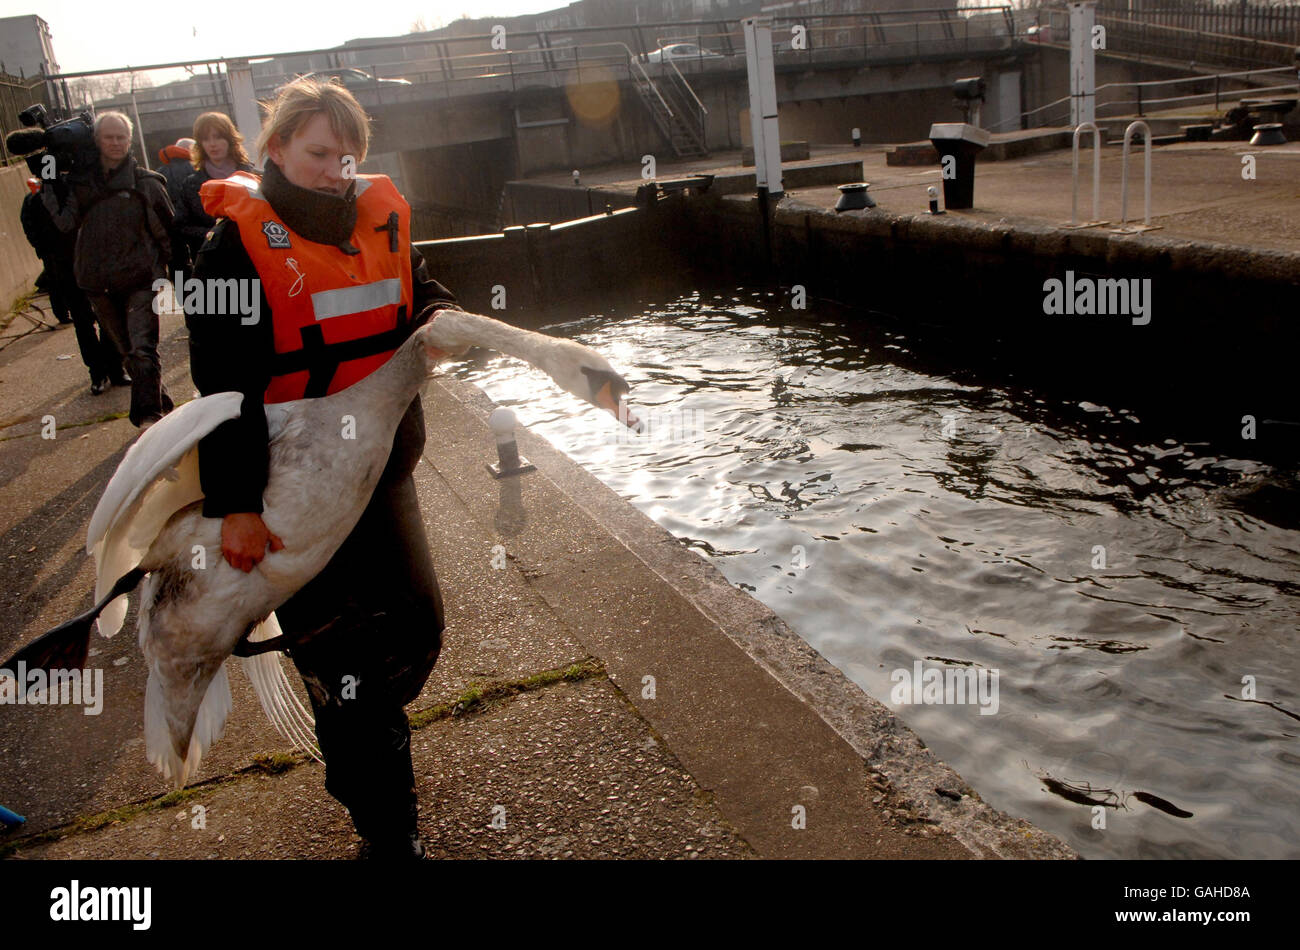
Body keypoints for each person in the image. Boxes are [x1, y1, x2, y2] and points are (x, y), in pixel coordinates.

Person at [186, 77, 460, 859]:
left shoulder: (380, 222)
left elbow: (423, 292)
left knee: (417, 630)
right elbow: (225, 394)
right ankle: (388, 830)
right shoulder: (230, 254)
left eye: (348, 156)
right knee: (352, 664)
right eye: (317, 154)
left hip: (382, 470)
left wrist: (443, 316)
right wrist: (235, 506)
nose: (336, 170)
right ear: (273, 148)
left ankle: (354, 730)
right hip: (291, 489)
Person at [41, 110, 180, 427]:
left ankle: (149, 417)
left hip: (141, 279)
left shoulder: (146, 183)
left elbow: (167, 233)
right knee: (130, 354)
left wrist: (176, 276)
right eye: (109, 137)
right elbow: (64, 222)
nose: (116, 143)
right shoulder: (80, 185)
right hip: (97, 281)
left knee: (143, 349)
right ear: (97, 141)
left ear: (130, 140)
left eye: (122, 137)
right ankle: (162, 404)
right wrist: (50, 182)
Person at [20, 176, 125, 393]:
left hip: (93, 264)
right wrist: (47, 255)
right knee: (84, 321)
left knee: (107, 317)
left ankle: (113, 369)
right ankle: (98, 373)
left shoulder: (83, 187)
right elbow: (31, 227)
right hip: (65, 266)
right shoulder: (37, 198)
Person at [174, 113, 256, 268]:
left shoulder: (252, 176)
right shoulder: (191, 184)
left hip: (254, 261)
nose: (212, 144)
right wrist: (213, 235)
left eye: (218, 137)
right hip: (214, 265)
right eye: (206, 139)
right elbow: (181, 226)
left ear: (230, 139)